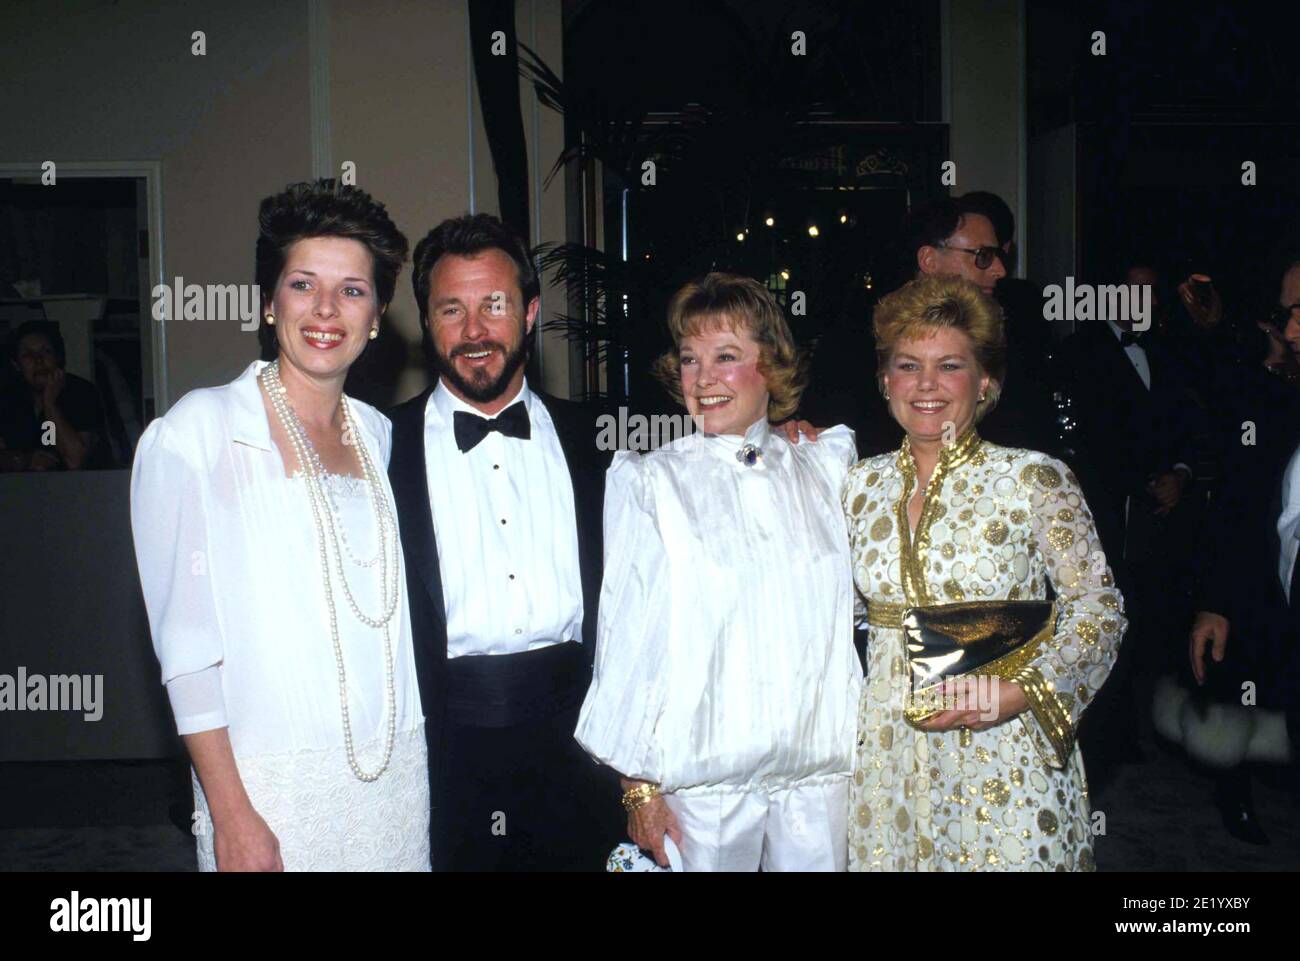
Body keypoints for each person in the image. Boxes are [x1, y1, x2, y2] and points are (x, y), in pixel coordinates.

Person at [130, 180, 429, 871]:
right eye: (303, 284)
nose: (326, 310)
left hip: (393, 778)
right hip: (269, 794)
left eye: (353, 290)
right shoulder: (196, 435)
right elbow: (187, 652)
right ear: (270, 302)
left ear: (379, 314)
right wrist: (231, 812)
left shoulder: (382, 436)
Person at [575, 273, 861, 871]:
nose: (703, 379)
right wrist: (639, 786)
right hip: (705, 785)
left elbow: (860, 607)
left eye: (726, 357)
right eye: (689, 360)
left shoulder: (827, 466)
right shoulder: (651, 482)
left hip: (819, 776)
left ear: (772, 367)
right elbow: (629, 642)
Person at [843, 274, 1125, 871]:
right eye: (906, 364)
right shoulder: (855, 484)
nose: (925, 385)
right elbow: (830, 608)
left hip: (1007, 744)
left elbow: (1099, 608)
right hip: (888, 746)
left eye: (949, 365)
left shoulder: (1033, 478)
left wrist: (1021, 693)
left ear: (986, 380)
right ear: (883, 380)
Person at [387, 213, 624, 871]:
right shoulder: (377, 450)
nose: (473, 331)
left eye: (493, 304)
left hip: (585, 739)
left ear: (529, 313)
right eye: (450, 309)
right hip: (442, 748)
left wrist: (786, 433)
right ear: (425, 323)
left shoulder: (605, 442)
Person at [1053, 264, 1204, 782]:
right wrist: (1135, 484)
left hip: (1162, 517)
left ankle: (1144, 727)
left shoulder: (1169, 350)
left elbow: (1192, 423)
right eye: (1134, 288)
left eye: (1151, 289)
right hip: (1104, 516)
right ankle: (1102, 737)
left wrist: (1179, 476)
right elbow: (1074, 443)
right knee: (1103, 620)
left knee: (1153, 616)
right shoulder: (1077, 351)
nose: (1146, 298)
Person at [1186, 254, 1300, 843]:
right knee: (1244, 683)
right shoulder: (1265, 393)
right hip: (1261, 581)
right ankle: (1238, 791)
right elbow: (1239, 500)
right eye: (1285, 316)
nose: (1290, 331)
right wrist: (1217, 602)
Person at [0, 321, 109, 471]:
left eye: (46, 352)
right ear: (16, 364)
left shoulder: (81, 393)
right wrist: (24, 460)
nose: (38, 360)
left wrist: (50, 404)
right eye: (27, 355)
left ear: (58, 357)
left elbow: (75, 460)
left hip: (81, 489)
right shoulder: (8, 398)